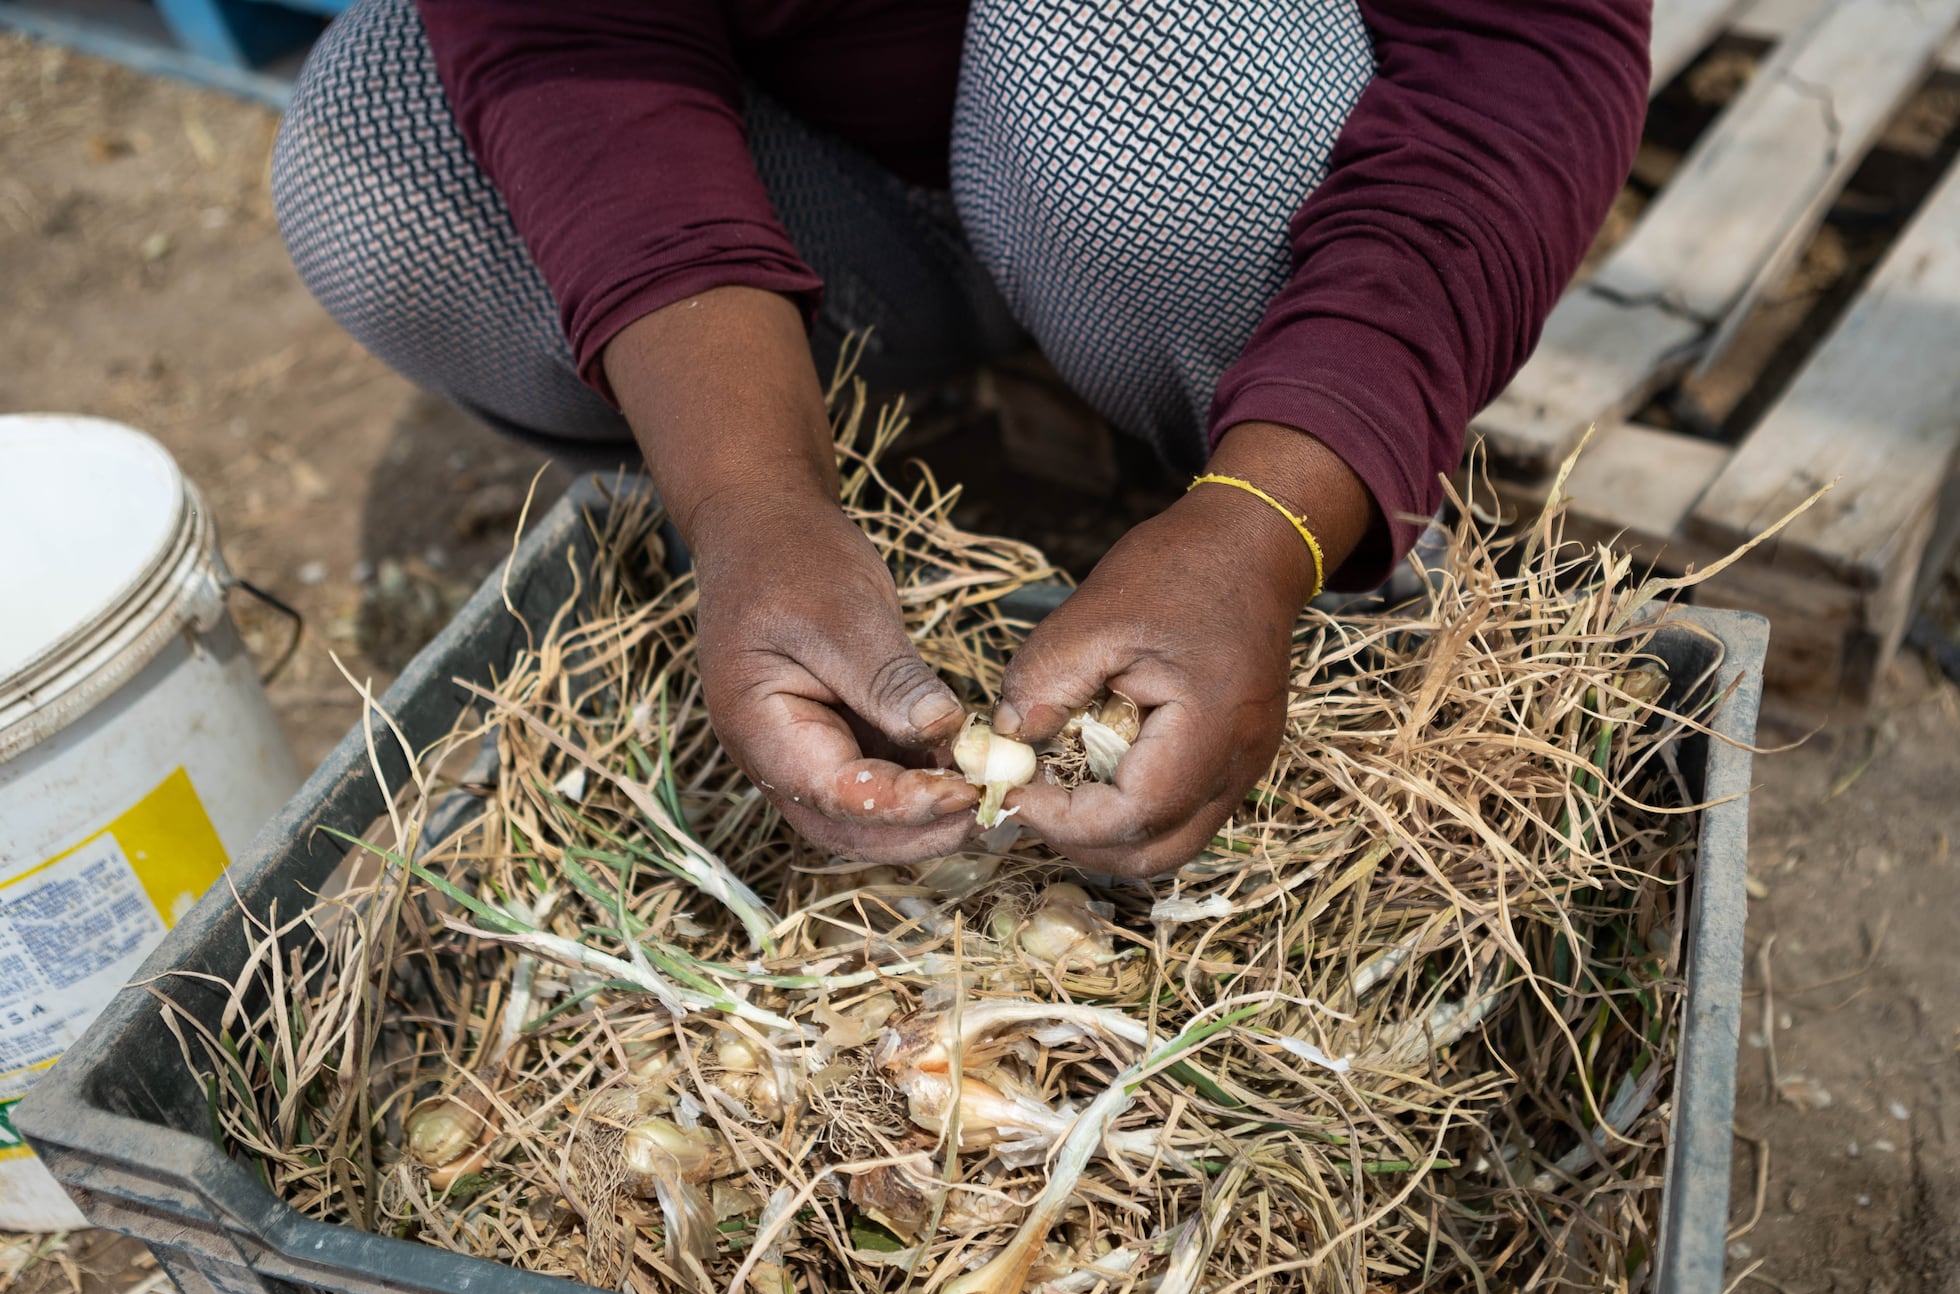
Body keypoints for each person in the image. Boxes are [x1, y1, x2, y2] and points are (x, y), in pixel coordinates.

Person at [273, 1, 1648, 876]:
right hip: (834, 175)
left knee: (1128, 44)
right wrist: (748, 495)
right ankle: (873, 432)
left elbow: (1526, 47)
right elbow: (570, 38)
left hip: (1190, 138)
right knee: (378, 155)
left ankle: (1245, 473)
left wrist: (1268, 523)